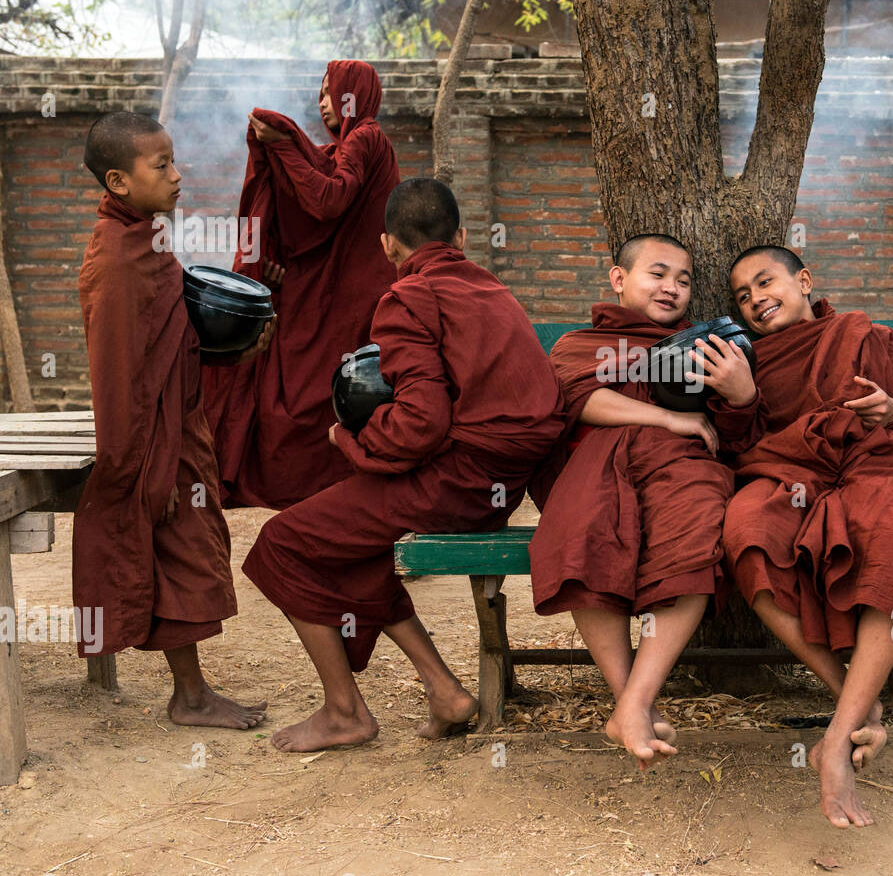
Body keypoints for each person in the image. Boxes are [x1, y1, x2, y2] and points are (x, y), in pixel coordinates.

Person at [242, 178, 565, 752]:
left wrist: (353, 441)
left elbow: (421, 422)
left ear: (389, 246)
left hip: (457, 482)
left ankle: (344, 712)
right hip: (499, 483)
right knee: (350, 546)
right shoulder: (491, 289)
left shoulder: (408, 297)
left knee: (281, 543)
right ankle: (445, 691)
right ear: (462, 237)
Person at [724, 246, 893, 828]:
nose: (756, 299)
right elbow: (741, 447)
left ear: (804, 280)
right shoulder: (750, 360)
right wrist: (742, 396)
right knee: (747, 535)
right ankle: (859, 701)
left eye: (765, 282)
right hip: (792, 476)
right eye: (743, 296)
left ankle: (837, 744)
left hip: (873, 468)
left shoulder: (866, 335)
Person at [528, 234, 755, 769]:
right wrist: (667, 417)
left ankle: (632, 704)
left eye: (684, 279)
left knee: (699, 530)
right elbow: (576, 399)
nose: (672, 288)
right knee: (582, 528)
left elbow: (736, 433)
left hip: (680, 471)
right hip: (599, 467)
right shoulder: (581, 344)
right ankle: (629, 696)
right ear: (618, 279)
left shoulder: (701, 346)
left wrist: (740, 393)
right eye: (658, 273)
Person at [75, 112, 271, 728]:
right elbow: (116, 378)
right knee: (173, 553)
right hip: (148, 444)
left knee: (185, 549)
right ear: (118, 181)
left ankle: (191, 693)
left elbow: (172, 344)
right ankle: (189, 697)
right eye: (161, 166)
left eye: (173, 159)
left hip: (179, 432)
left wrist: (234, 349)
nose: (178, 175)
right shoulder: (115, 260)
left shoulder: (148, 240)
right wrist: (140, 467)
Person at [204, 59, 400, 508]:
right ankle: (321, 497)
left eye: (332, 92)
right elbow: (315, 214)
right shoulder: (347, 147)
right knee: (298, 388)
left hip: (354, 303)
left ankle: (336, 497)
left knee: (324, 394)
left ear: (356, 94)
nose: (323, 101)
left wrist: (285, 144)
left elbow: (327, 200)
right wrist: (278, 263)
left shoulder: (367, 135)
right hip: (327, 297)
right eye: (321, 93)